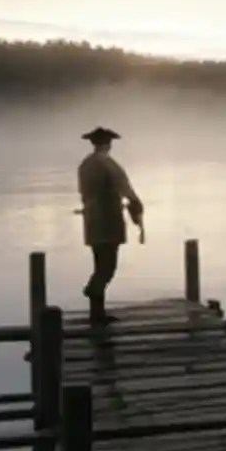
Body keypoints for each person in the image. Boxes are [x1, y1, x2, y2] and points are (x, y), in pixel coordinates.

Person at [78, 126, 143, 323]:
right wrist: (136, 204)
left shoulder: (85, 164)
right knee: (108, 266)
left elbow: (84, 192)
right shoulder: (108, 163)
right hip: (108, 219)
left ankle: (96, 312)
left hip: (91, 219)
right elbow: (125, 188)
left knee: (99, 263)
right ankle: (93, 292)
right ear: (108, 144)